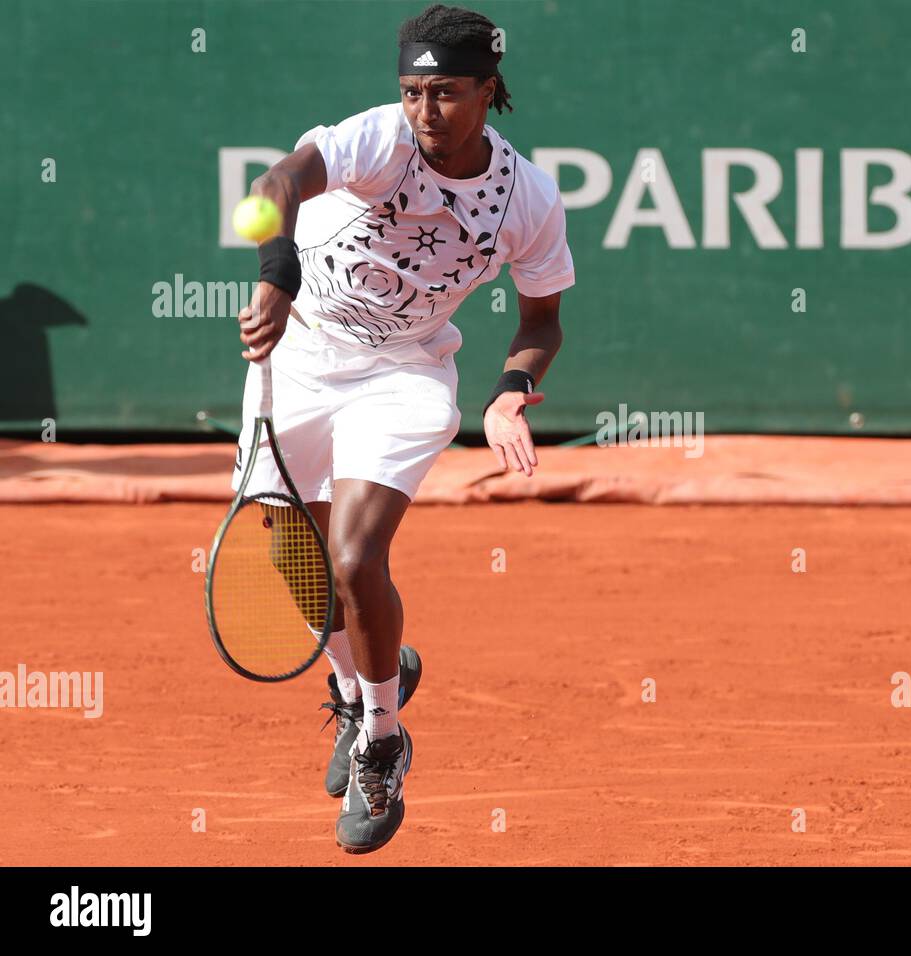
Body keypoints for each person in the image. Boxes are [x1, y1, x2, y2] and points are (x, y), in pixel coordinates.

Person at [231, 2, 574, 853]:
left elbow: (542, 322)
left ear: (489, 91)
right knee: (292, 555)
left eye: (448, 92)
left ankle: (382, 741)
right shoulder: (378, 139)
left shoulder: (526, 197)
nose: (426, 110)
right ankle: (356, 690)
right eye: (413, 90)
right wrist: (279, 277)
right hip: (300, 355)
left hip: (407, 373)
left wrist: (506, 394)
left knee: (353, 556)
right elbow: (278, 186)